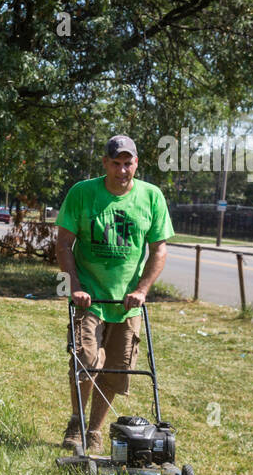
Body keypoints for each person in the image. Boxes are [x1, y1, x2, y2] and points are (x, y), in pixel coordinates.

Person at [54, 134, 174, 455]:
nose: (123, 170)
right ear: (105, 163)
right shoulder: (82, 194)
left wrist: (141, 290)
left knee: (117, 371)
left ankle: (94, 430)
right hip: (88, 297)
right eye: (116, 163)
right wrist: (75, 286)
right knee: (87, 361)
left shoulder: (151, 197)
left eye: (128, 163)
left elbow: (159, 249)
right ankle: (77, 423)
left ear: (137, 163)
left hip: (127, 304)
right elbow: (63, 243)